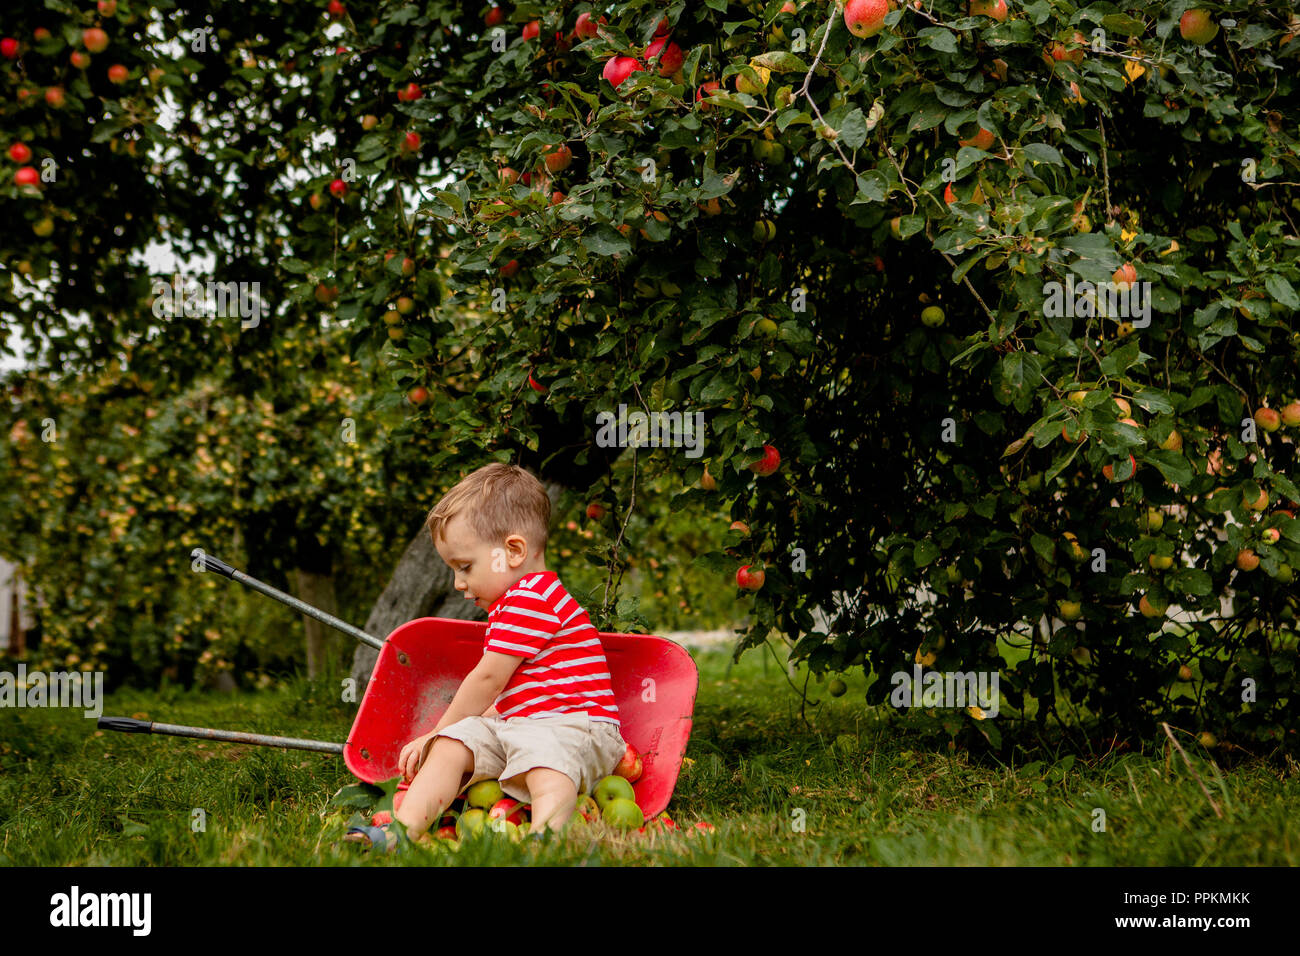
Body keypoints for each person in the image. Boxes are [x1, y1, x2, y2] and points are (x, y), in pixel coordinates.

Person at [347, 463, 625, 850]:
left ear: (513, 551)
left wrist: (433, 730)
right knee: (452, 745)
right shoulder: (512, 605)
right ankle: (402, 829)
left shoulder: (532, 599)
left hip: (579, 729)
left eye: (465, 568)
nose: (459, 584)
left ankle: (545, 841)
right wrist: (450, 737)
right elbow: (514, 693)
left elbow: (487, 680)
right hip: (523, 725)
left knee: (545, 758)